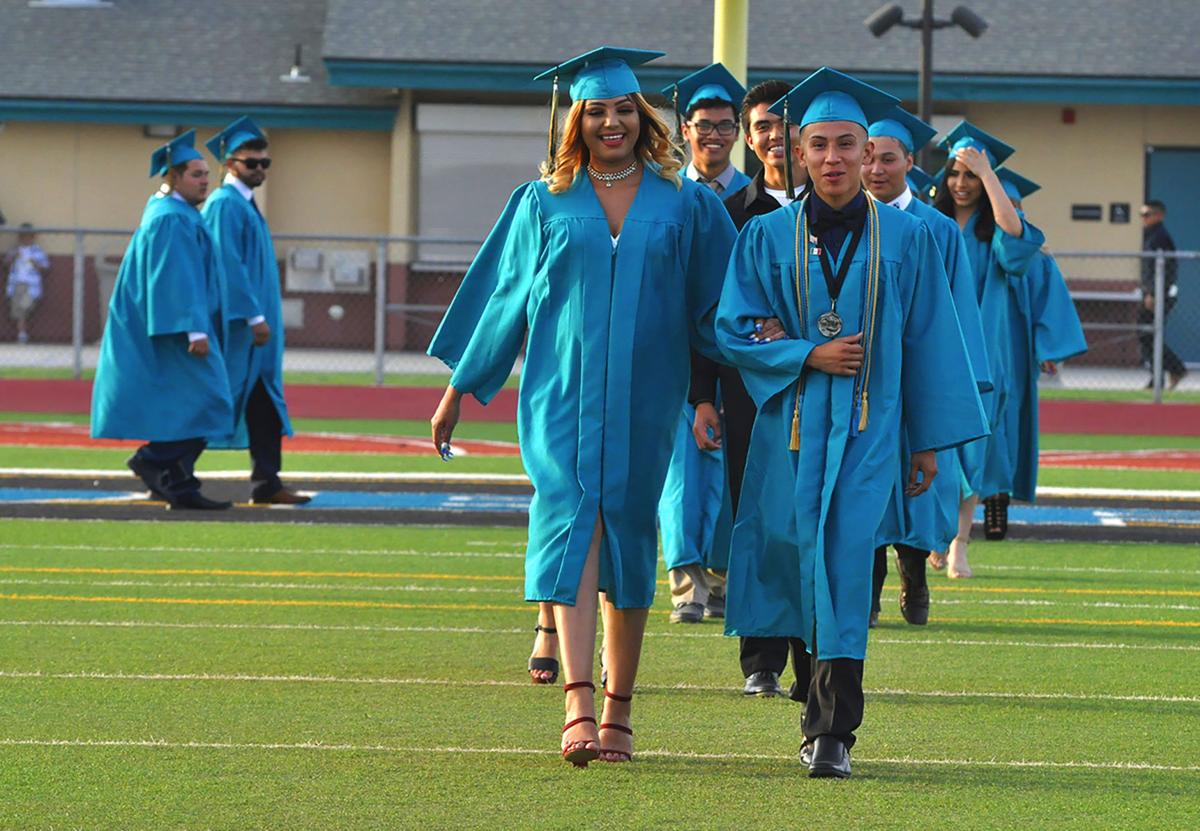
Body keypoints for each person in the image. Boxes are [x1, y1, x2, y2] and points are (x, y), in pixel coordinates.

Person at [427, 47, 736, 767]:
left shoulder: (685, 202)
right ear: (576, 119)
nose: (611, 122)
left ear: (644, 117)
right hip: (560, 395)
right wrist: (456, 391)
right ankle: (577, 700)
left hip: (646, 394)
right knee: (570, 521)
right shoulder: (543, 200)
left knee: (628, 531)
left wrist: (754, 369)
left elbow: (724, 303)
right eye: (596, 110)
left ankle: (621, 705)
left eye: (624, 109)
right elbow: (505, 300)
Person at [718, 68, 987, 778]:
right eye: (819, 145)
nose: (834, 158)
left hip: (872, 430)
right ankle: (812, 703)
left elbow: (932, 340)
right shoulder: (764, 236)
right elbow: (733, 326)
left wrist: (928, 442)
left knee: (842, 562)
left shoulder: (909, 238)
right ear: (798, 154)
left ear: (869, 153)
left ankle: (834, 729)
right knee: (802, 560)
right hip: (793, 432)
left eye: (847, 145)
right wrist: (807, 350)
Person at [863, 107, 992, 625]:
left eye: (887, 159)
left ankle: (914, 576)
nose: (875, 169)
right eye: (867, 157)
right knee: (862, 482)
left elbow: (957, 311)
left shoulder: (937, 229)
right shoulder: (840, 220)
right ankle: (867, 590)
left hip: (917, 377)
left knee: (919, 482)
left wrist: (952, 384)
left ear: (910, 163)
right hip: (861, 376)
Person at [709, 78, 810, 697]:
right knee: (758, 519)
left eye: (787, 124)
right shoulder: (730, 215)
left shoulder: (839, 213)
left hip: (820, 389)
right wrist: (702, 397)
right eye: (763, 127)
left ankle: (812, 653)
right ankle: (761, 657)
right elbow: (711, 314)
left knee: (809, 519)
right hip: (749, 395)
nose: (776, 136)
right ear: (749, 139)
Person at [91, 131, 235, 510]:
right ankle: (154, 462)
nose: (205, 180)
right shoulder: (171, 219)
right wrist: (196, 329)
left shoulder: (172, 212)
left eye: (207, 173)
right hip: (176, 330)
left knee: (186, 407)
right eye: (195, 174)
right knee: (211, 401)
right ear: (172, 176)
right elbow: (175, 278)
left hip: (168, 327)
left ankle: (176, 482)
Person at [656, 63, 752, 625]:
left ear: (736, 132)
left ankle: (719, 578)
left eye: (724, 125)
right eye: (702, 124)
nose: (713, 134)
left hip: (735, 356)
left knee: (729, 470)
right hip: (677, 356)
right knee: (682, 474)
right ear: (684, 131)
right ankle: (685, 583)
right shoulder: (666, 198)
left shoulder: (756, 202)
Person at [933, 121, 1045, 566]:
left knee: (975, 447)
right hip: (937, 350)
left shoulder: (992, 231)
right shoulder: (931, 221)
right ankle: (935, 535)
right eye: (956, 174)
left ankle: (960, 540)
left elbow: (1017, 240)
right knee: (935, 446)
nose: (962, 184)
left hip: (982, 354)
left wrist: (990, 173)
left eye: (972, 176)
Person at [202, 117, 310, 505]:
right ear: (230, 164)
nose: (260, 170)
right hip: (239, 329)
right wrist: (252, 316)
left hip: (257, 330)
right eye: (252, 163)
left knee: (263, 403)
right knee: (219, 397)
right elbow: (229, 265)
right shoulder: (224, 206)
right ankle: (161, 461)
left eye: (265, 163)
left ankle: (267, 481)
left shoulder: (245, 205)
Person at [996, 168, 1088, 505]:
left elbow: (1048, 302)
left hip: (1014, 351)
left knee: (1008, 421)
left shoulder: (1034, 257)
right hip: (975, 346)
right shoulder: (972, 245)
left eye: (1012, 204)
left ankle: (997, 498)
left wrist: (1047, 347)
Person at [1140, 199, 1187, 390]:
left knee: (1149, 334)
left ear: (1159, 215)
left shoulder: (1160, 237)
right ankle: (1160, 376)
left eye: (1147, 214)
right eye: (1141, 215)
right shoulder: (1151, 235)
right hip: (1150, 292)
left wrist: (1153, 293)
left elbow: (1165, 269)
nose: (1143, 218)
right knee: (1147, 335)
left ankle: (1174, 370)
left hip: (1159, 295)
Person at [4, 223, 50, 344]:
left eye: (28, 236)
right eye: (22, 236)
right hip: (16, 283)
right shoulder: (16, 249)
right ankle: (22, 334)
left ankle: (22, 333)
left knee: (25, 306)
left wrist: (35, 262)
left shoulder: (37, 251)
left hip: (31, 285)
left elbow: (45, 268)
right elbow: (5, 264)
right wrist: (13, 257)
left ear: (33, 237)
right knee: (18, 310)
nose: (25, 239)